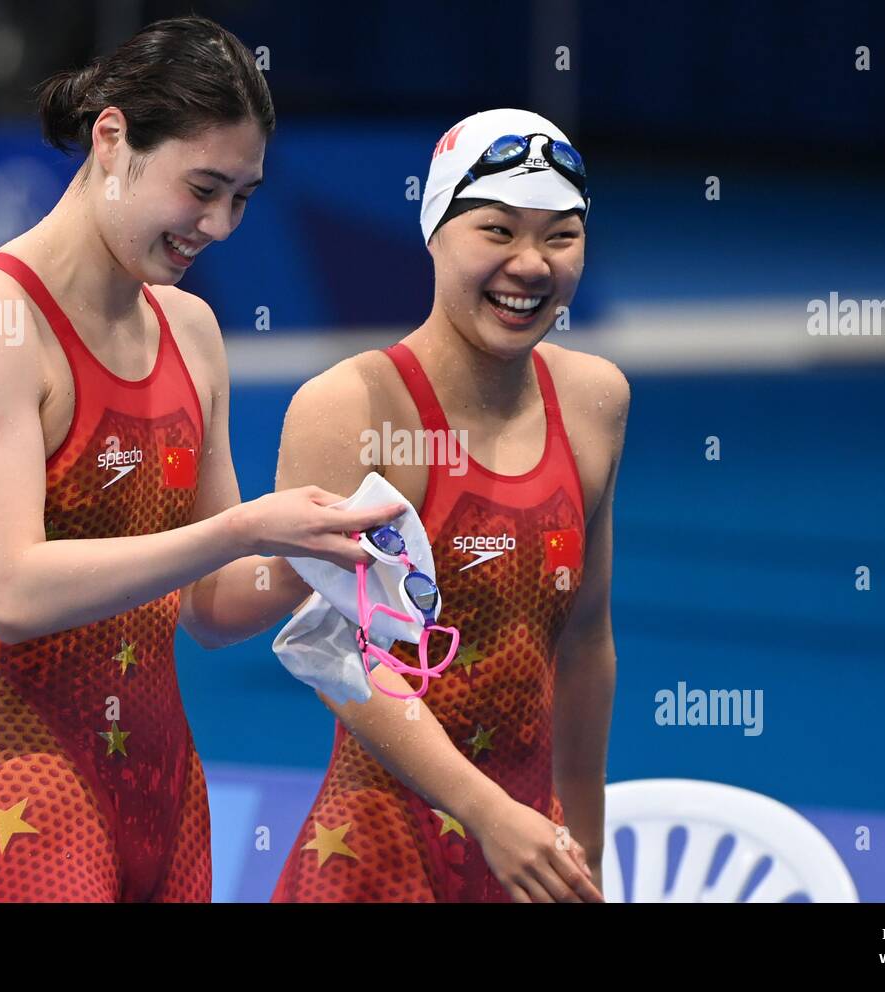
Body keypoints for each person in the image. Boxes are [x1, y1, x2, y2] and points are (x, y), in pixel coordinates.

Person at [0, 14, 400, 903]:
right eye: (202, 187)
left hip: (170, 806)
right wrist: (245, 528)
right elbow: (10, 594)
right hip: (23, 809)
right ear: (112, 140)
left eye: (242, 198)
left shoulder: (191, 332)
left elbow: (210, 607)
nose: (220, 224)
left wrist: (324, 551)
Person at [271, 109, 629, 902]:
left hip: (527, 858)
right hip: (372, 861)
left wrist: (587, 853)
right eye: (497, 231)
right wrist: (487, 811)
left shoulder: (594, 399)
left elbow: (585, 642)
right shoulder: (351, 407)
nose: (530, 264)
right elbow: (336, 652)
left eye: (561, 237)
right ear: (434, 231)